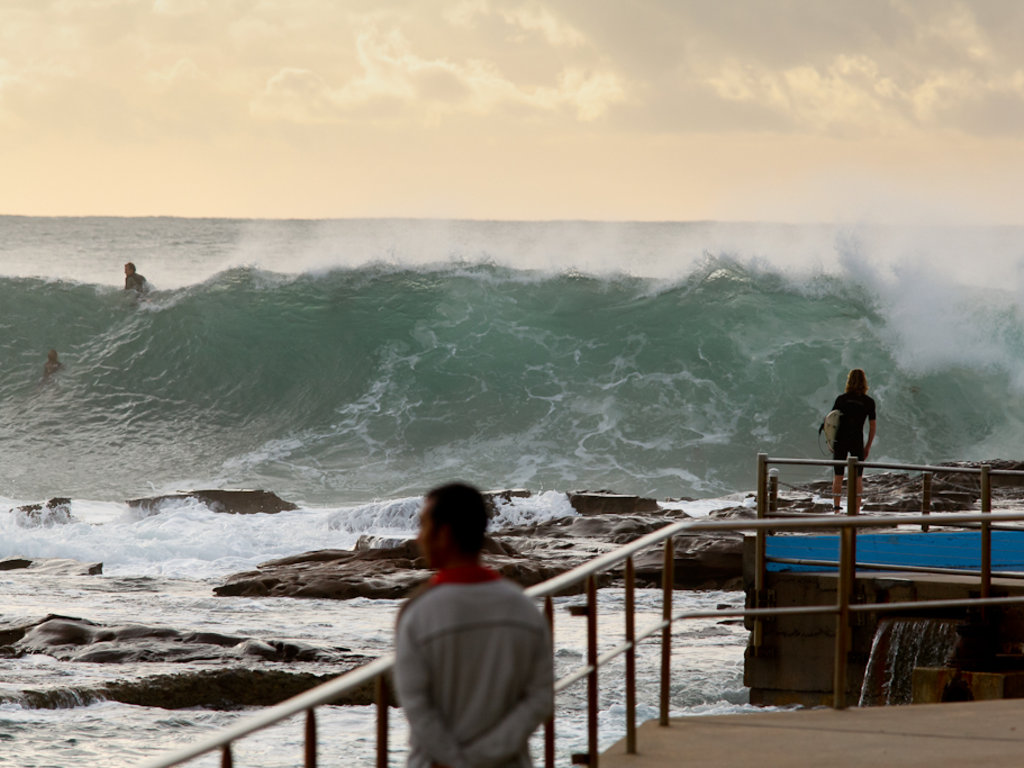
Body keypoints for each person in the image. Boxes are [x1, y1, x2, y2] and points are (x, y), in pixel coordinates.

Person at [394, 482, 553, 768]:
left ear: (443, 535)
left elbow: (417, 706)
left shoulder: (418, 613)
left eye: (424, 526)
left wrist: (457, 760)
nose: (419, 538)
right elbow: (539, 699)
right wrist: (487, 754)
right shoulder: (524, 609)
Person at [830, 368, 877, 513]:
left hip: (840, 439)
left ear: (849, 381)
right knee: (858, 477)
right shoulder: (868, 402)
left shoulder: (841, 399)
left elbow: (830, 421)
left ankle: (837, 509)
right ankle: (856, 510)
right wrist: (868, 446)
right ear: (864, 382)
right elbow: (872, 426)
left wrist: (830, 441)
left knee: (838, 475)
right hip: (856, 440)